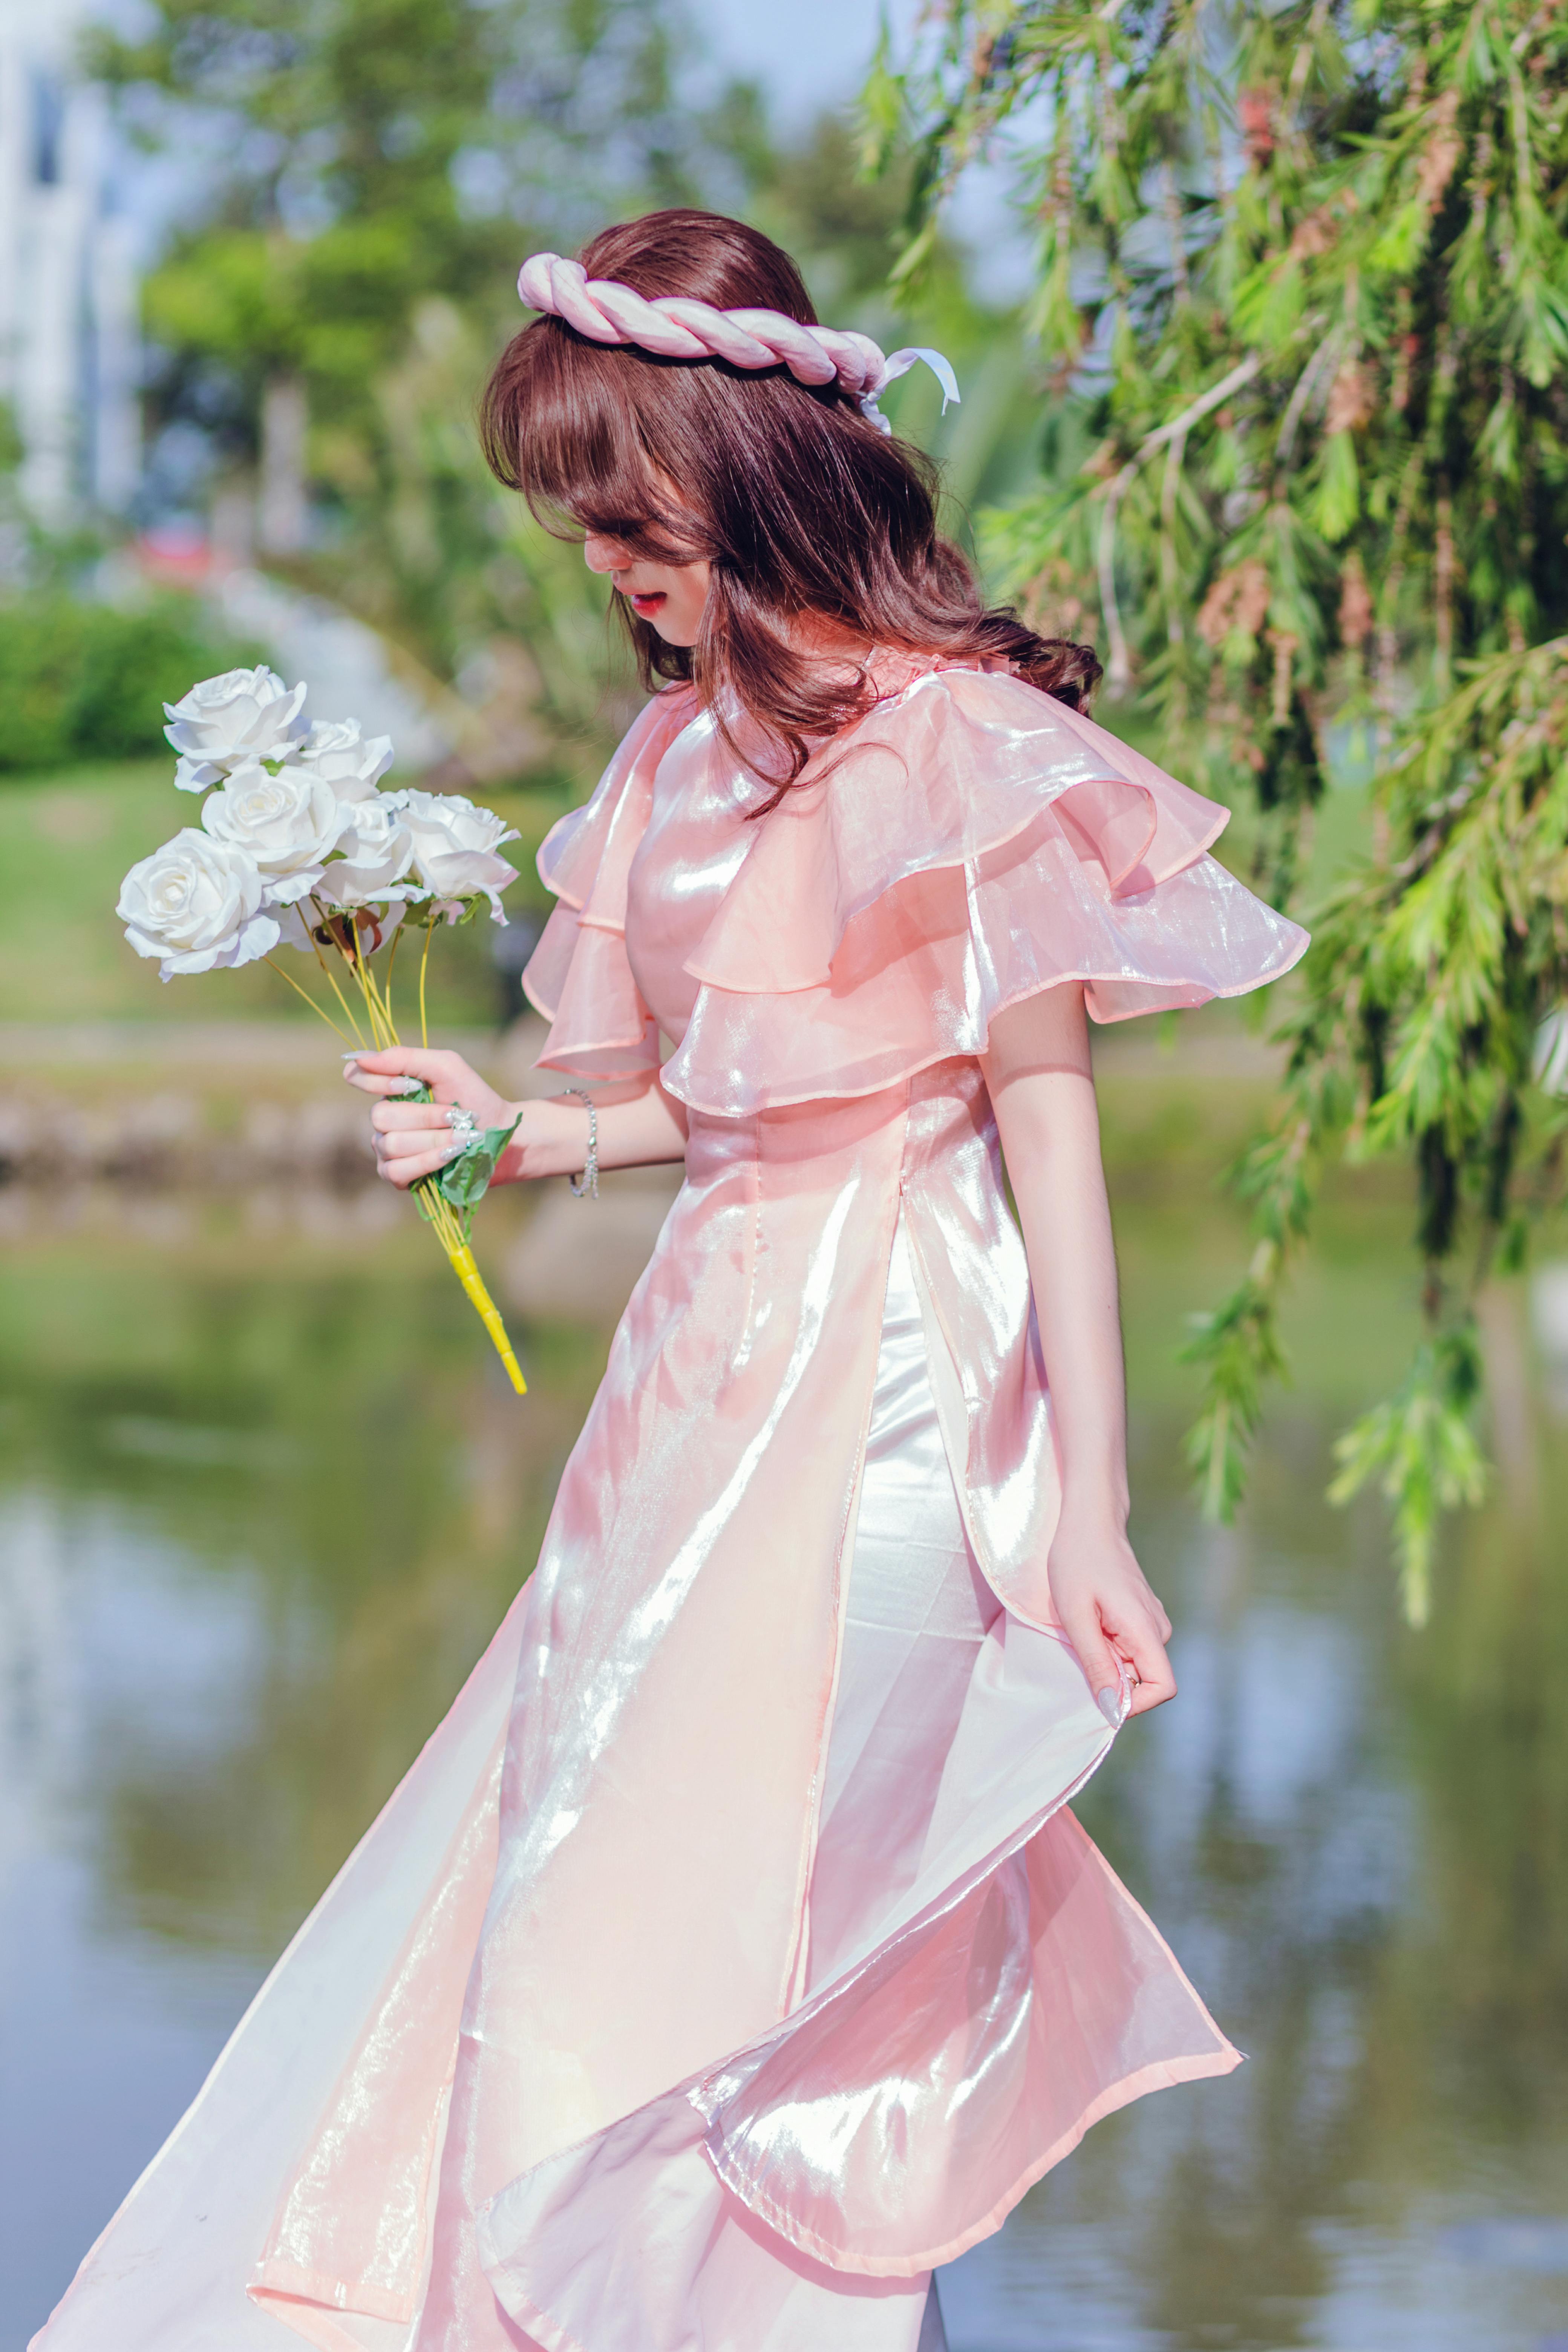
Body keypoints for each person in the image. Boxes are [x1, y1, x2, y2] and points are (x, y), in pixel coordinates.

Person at [35, 210, 1307, 2352]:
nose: (609, 560)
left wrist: (1088, 1505)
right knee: (571, 1884)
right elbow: (717, 1114)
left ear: (751, 460)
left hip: (898, 1382)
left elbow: (1046, 1129)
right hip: (687, 1387)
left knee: (777, 1947)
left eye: (630, 507)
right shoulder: (670, 763)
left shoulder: (962, 742)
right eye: (576, 523)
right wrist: (509, 1125)